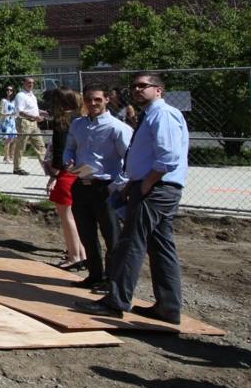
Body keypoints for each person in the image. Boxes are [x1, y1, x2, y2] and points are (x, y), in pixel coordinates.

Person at [76, 73, 189, 325]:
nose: (137, 90)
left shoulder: (163, 114)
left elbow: (168, 157)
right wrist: (133, 183)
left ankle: (115, 302)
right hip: (152, 186)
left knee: (130, 244)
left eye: (144, 86)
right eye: (135, 86)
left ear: (159, 90)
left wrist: (146, 183)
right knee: (160, 246)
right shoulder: (151, 115)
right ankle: (168, 307)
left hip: (156, 188)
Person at [64, 85, 131, 292]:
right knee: (87, 234)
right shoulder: (77, 125)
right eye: (88, 100)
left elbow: (129, 159)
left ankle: (111, 281)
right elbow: (70, 147)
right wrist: (68, 161)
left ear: (107, 100)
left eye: (97, 100)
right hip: (81, 185)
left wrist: (117, 185)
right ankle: (94, 275)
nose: (92, 104)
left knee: (112, 236)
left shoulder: (117, 128)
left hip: (105, 187)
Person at [45, 87, 86, 269]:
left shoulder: (62, 122)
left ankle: (74, 256)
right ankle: (82, 254)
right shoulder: (82, 119)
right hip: (81, 172)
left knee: (67, 217)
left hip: (66, 173)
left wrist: (53, 176)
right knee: (76, 217)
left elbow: (60, 153)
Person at [12, 77, 45, 176]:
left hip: (34, 123)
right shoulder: (20, 95)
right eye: (29, 82)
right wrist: (35, 117)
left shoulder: (32, 95)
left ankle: (46, 167)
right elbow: (20, 112)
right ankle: (17, 168)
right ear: (24, 83)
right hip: (24, 122)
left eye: (32, 83)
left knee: (41, 145)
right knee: (21, 146)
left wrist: (43, 112)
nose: (31, 84)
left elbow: (33, 110)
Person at [0, 85, 18, 163]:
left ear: (13, 92)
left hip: (12, 122)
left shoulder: (14, 101)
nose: (9, 91)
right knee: (8, 140)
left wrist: (15, 115)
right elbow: (0, 112)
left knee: (14, 139)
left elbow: (16, 111)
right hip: (5, 121)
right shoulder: (3, 100)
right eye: (7, 90)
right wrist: (7, 115)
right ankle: (7, 158)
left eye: (11, 90)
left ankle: (10, 156)